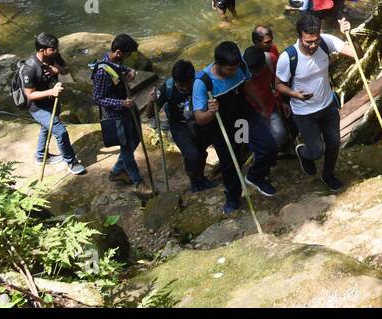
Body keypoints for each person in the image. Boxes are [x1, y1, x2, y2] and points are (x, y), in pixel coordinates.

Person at [193, 41, 279, 212]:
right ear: (218, 64)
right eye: (229, 70)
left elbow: (248, 86)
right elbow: (199, 119)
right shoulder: (203, 83)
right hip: (221, 127)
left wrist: (262, 108)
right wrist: (210, 112)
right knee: (231, 163)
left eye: (235, 69)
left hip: (243, 118)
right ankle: (233, 197)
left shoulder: (240, 66)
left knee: (268, 147)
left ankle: (255, 176)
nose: (233, 72)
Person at [276, 13, 356, 192]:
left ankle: (328, 175)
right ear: (299, 37)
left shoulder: (326, 42)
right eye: (308, 42)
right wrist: (295, 94)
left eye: (316, 40)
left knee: (334, 144)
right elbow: (279, 85)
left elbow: (357, 54)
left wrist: (349, 35)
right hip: (304, 112)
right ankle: (303, 153)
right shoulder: (288, 57)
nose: (313, 45)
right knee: (316, 151)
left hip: (328, 105)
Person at [20, 33, 86, 175]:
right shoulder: (30, 69)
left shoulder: (53, 57)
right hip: (38, 108)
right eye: (53, 49)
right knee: (61, 132)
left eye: (56, 48)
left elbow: (66, 69)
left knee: (47, 128)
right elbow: (29, 94)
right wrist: (51, 92)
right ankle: (72, 162)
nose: (56, 51)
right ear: (42, 50)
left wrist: (55, 70)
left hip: (53, 101)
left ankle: (41, 155)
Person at [151, 60, 217, 192]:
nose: (186, 88)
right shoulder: (167, 88)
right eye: (181, 85)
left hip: (198, 124)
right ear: (175, 80)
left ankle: (201, 178)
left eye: (188, 84)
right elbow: (150, 113)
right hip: (179, 126)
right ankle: (194, 182)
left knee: (202, 153)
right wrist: (151, 101)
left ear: (193, 78)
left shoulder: (200, 83)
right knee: (192, 155)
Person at [91, 34, 145, 188]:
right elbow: (97, 98)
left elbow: (119, 67)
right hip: (117, 114)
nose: (127, 58)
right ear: (119, 52)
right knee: (127, 148)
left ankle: (117, 171)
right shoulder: (101, 72)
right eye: (127, 55)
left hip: (128, 109)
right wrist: (121, 103)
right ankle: (138, 181)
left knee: (136, 139)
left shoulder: (114, 61)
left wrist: (130, 70)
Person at [243, 26, 290, 150]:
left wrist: (282, 102)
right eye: (267, 42)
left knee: (281, 137)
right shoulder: (239, 70)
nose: (271, 44)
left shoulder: (270, 58)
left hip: (269, 104)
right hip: (251, 110)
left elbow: (276, 81)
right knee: (245, 140)